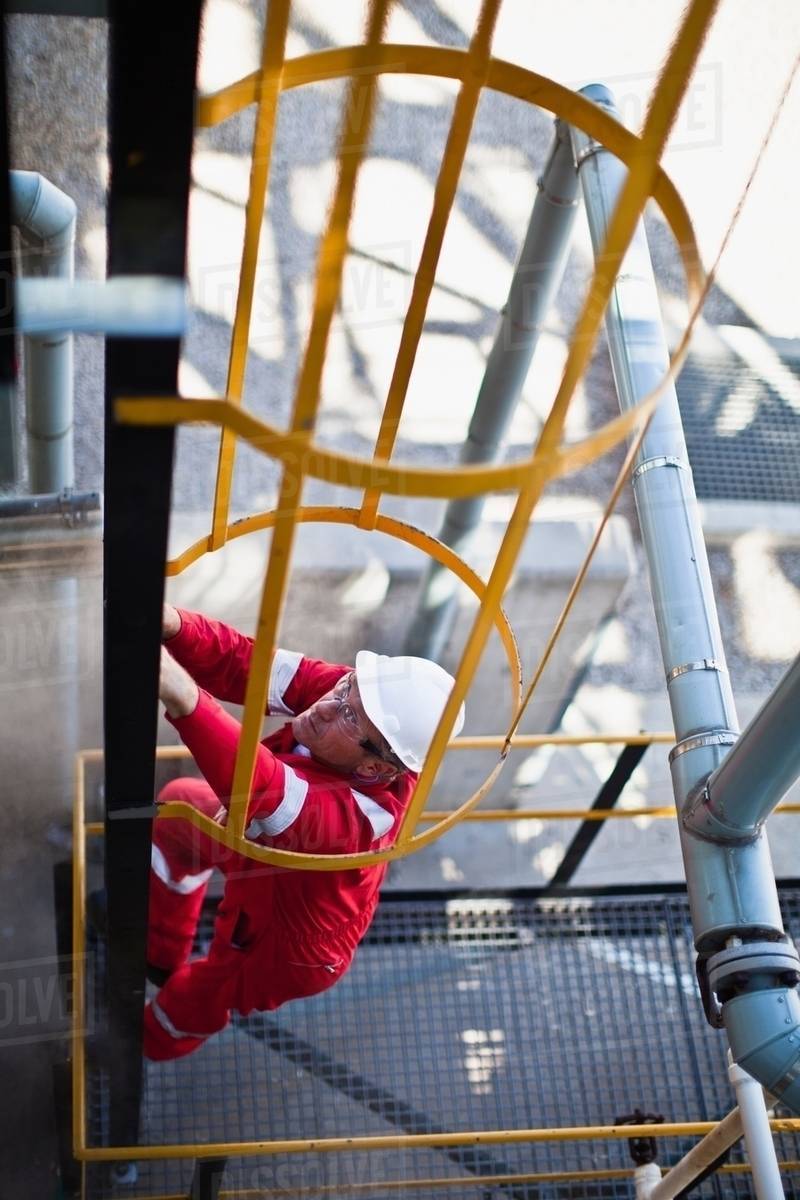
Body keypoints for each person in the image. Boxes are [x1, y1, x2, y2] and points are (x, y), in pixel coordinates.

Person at [144, 604, 465, 1061]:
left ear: (374, 768)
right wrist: (174, 625)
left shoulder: (356, 822)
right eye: (346, 685)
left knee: (198, 996)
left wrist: (182, 695)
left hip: (286, 944)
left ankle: (139, 1044)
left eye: (349, 718)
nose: (327, 705)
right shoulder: (360, 705)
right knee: (180, 811)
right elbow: (250, 666)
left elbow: (263, 787)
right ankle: (160, 951)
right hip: (270, 853)